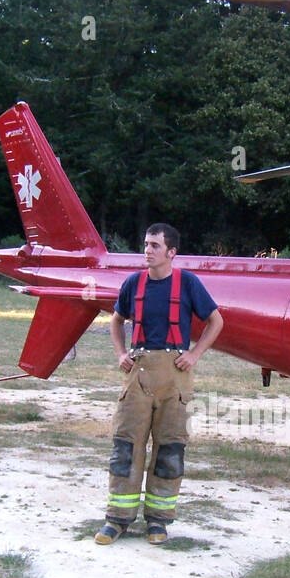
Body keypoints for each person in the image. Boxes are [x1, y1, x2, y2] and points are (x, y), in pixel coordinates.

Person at [96, 223, 223, 545]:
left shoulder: (188, 283)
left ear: (171, 252)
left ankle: (158, 521)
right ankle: (117, 519)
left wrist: (194, 355)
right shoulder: (133, 283)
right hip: (138, 373)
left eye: (154, 245)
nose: (147, 251)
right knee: (125, 447)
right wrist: (121, 353)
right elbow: (116, 319)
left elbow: (216, 321)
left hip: (175, 376)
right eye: (146, 244)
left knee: (169, 450)